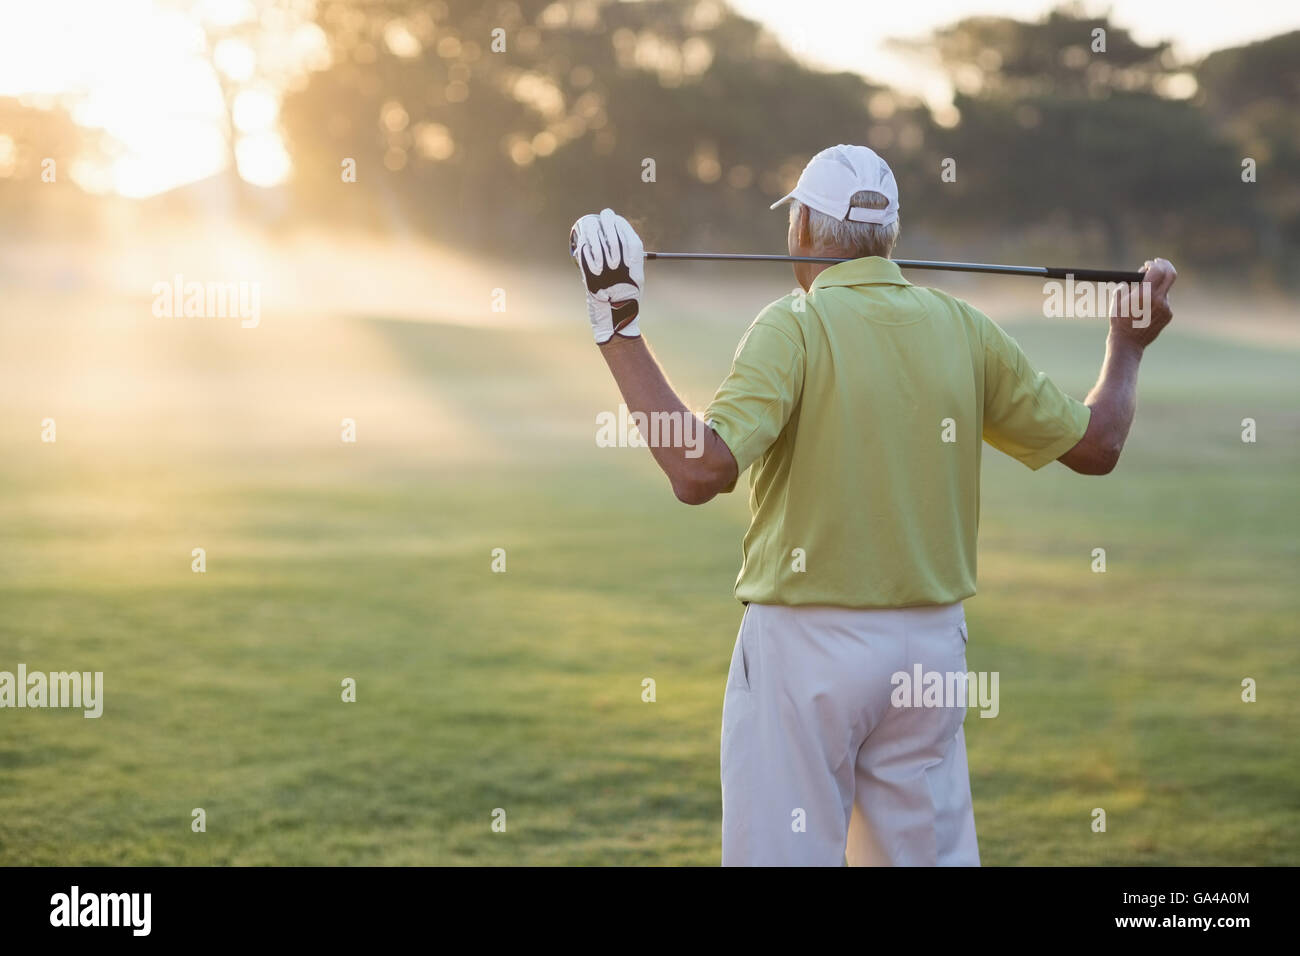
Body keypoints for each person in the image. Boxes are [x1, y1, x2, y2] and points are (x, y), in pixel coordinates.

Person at [569, 144, 1176, 866]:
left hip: (807, 651)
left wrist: (619, 329)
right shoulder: (964, 327)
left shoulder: (792, 324)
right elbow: (1097, 445)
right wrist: (1127, 344)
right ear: (886, 236)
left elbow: (698, 471)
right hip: (930, 652)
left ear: (800, 230)